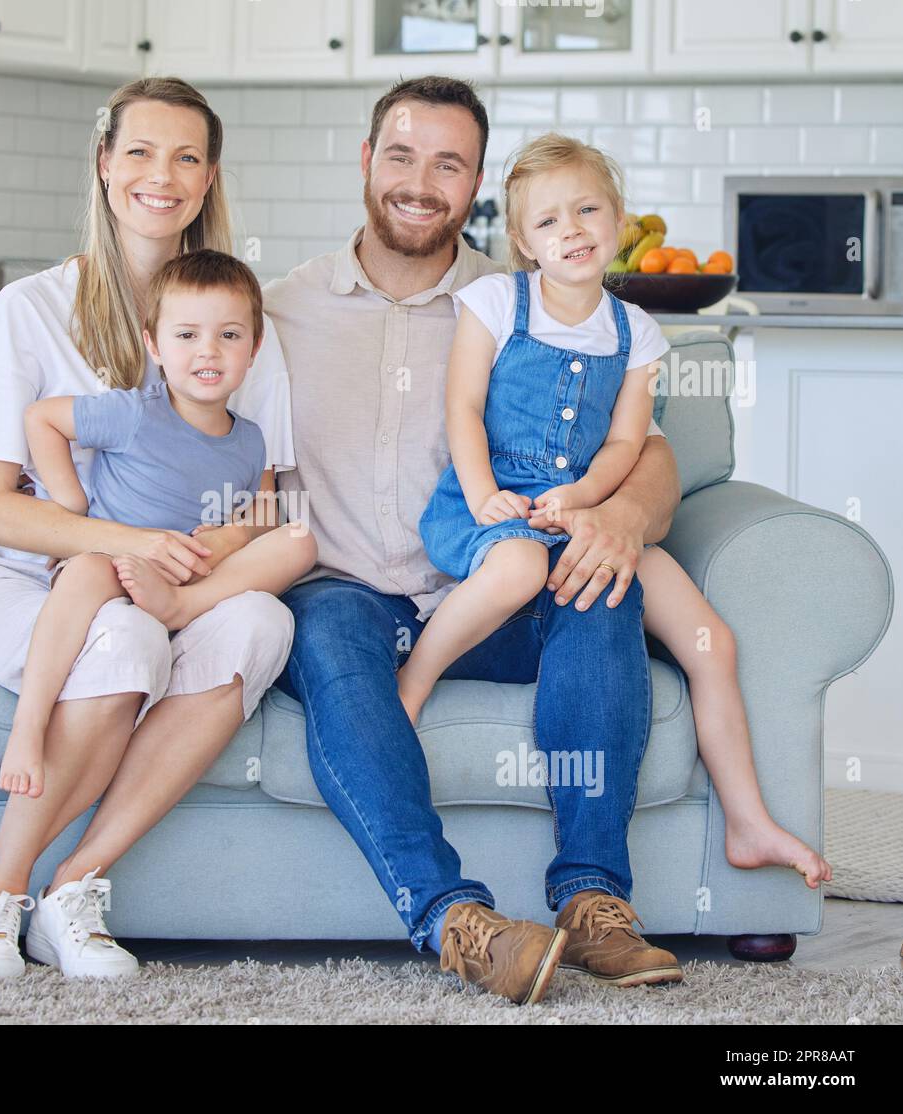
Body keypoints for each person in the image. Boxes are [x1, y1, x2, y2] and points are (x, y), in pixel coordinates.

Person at [265, 77, 684, 1004]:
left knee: (601, 589)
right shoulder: (280, 310)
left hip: (497, 586)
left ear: (477, 183)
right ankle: (459, 921)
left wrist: (619, 518)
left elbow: (647, 447)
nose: (422, 182)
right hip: (351, 597)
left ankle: (593, 902)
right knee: (331, 633)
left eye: (448, 164)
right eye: (402, 156)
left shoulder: (530, 299)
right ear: (366, 161)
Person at [397, 132, 830, 895]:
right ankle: (414, 679)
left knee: (710, 639)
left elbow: (630, 440)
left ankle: (747, 819)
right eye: (549, 221)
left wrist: (586, 499)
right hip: (491, 503)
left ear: (620, 218)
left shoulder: (637, 333)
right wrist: (481, 497)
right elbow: (461, 408)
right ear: (523, 242)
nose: (572, 230)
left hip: (583, 513)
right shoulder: (498, 302)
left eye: (588, 209)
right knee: (520, 564)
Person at [0, 78, 297, 981]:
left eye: (185, 157)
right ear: (104, 165)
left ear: (209, 179)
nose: (160, 176)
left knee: (264, 622)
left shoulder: (239, 322)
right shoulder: (30, 311)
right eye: (138, 152)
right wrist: (122, 545)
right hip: (27, 586)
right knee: (125, 635)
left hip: (174, 579)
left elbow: (271, 502)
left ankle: (76, 886)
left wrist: (194, 561)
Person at [0, 250, 317, 798]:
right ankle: (29, 727)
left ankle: (180, 611)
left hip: (192, 579)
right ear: (155, 345)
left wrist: (233, 536)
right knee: (83, 575)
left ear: (254, 348)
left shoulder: (250, 437)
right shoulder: (134, 411)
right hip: (116, 567)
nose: (208, 352)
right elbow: (42, 419)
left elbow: (264, 508)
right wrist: (71, 503)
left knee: (299, 538)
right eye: (187, 335)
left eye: (230, 336)